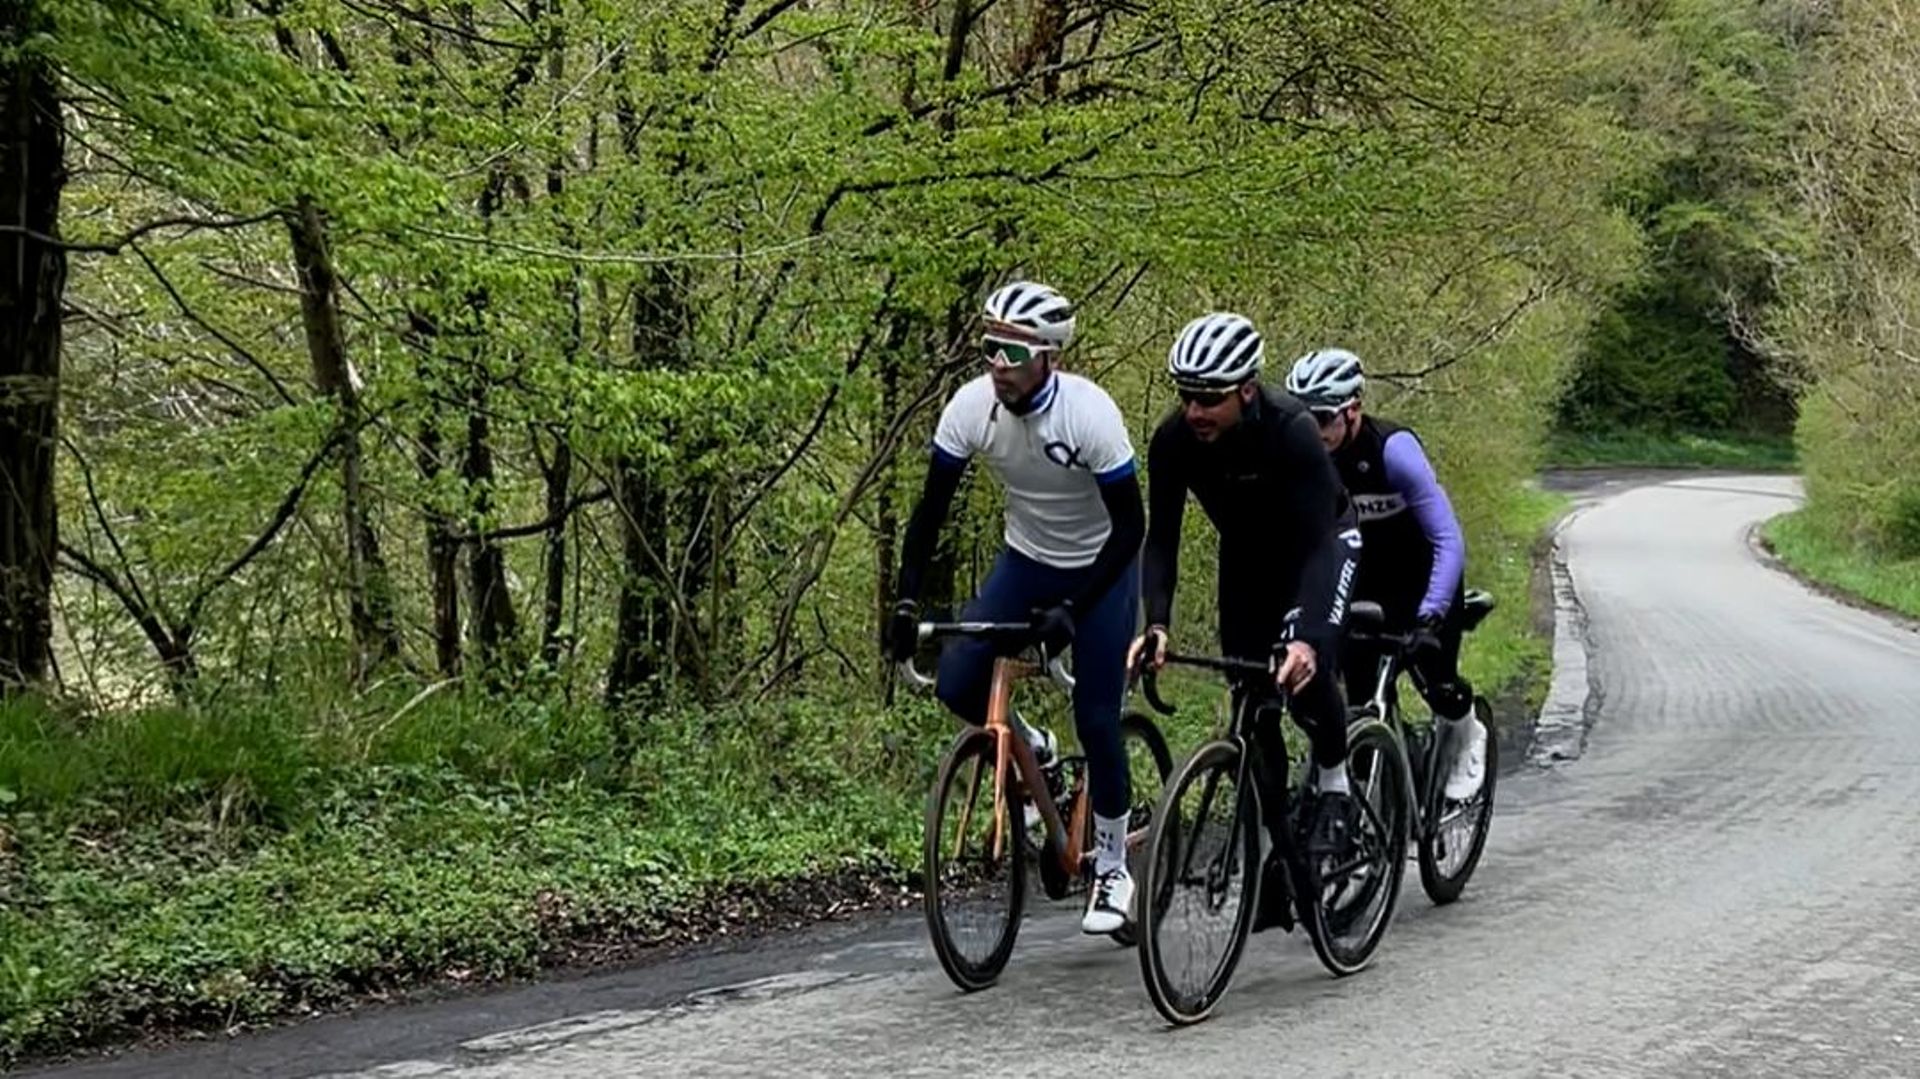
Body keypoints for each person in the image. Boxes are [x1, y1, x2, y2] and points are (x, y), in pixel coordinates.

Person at [885, 280, 1146, 935]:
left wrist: (1076, 608)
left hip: (1103, 565)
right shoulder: (972, 407)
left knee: (1096, 715)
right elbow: (929, 512)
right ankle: (1033, 748)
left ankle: (1113, 865)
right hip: (1026, 559)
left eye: (1010, 350)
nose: (996, 364)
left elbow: (1132, 528)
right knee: (958, 680)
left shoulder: (1089, 414)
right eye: (987, 348)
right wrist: (907, 599)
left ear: (1047, 357)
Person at [1130, 312, 1363, 929]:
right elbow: (1162, 542)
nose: (1195, 410)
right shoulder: (1172, 441)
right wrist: (1156, 623)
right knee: (1252, 700)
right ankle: (1276, 852)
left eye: (1208, 397)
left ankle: (1337, 783)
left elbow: (1318, 546)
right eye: (1185, 396)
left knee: (1305, 676)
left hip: (1321, 544)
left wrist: (1311, 640)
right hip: (1248, 558)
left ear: (1247, 390)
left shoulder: (1291, 432)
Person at [1285, 347, 1486, 800]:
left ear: (1353, 409)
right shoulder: (1303, 457)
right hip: (1360, 582)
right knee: (1356, 701)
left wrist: (1432, 613)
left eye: (1321, 417)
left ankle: (1465, 728)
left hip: (1420, 579)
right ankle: (1371, 800)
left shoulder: (1393, 451)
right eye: (1301, 417)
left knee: (1437, 678)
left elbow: (1446, 538)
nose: (1311, 431)